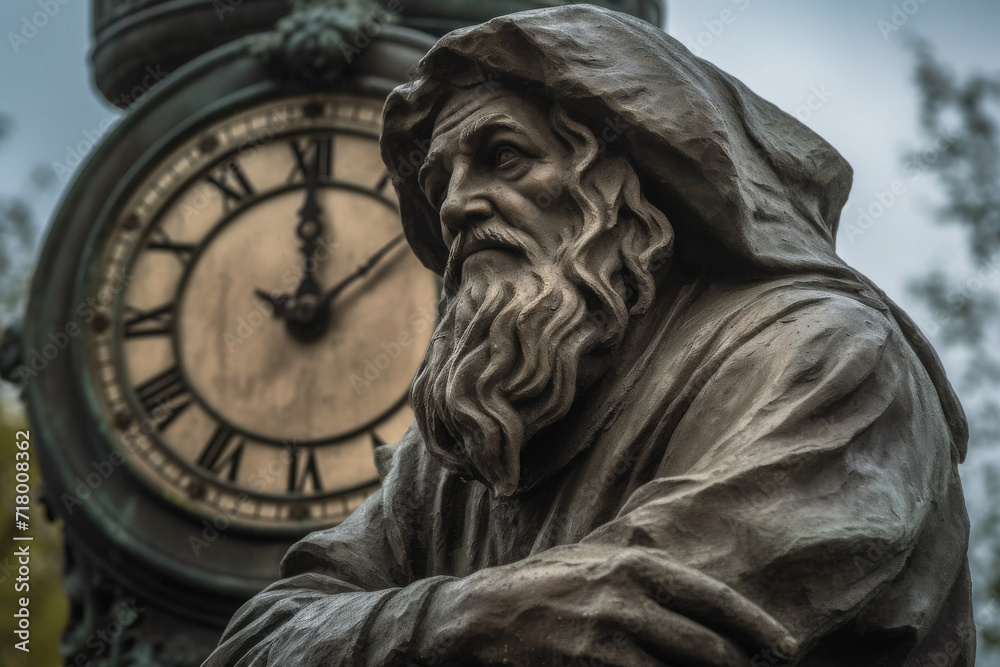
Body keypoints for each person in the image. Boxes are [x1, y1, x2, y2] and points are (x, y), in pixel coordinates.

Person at [204, 6, 974, 665]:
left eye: (503, 157)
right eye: (441, 182)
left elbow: (651, 621)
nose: (458, 205)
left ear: (627, 177)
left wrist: (393, 626)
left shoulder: (822, 354)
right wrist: (468, 618)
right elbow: (258, 638)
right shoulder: (463, 451)